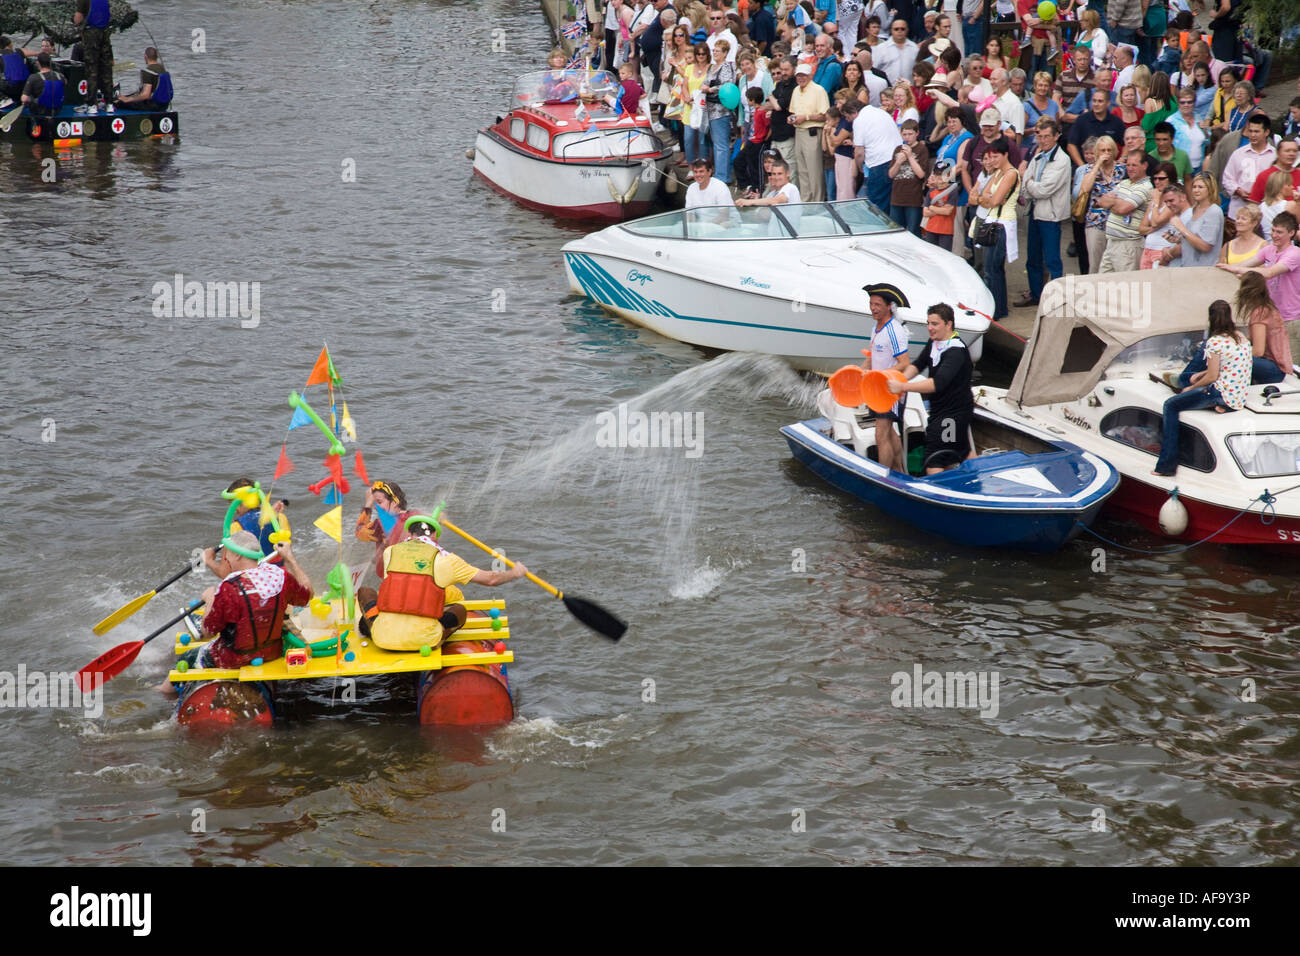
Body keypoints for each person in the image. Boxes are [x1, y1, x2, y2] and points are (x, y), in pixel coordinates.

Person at [355, 517, 527, 652]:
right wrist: (514, 573)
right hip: (424, 642)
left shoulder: (389, 552)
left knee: (366, 592)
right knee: (459, 610)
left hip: (383, 638)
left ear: (409, 535)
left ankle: (369, 623)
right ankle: (439, 640)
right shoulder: (448, 560)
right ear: (435, 536)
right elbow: (491, 579)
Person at [1151, 301, 1250, 476]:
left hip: (1219, 393)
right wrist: (1201, 374)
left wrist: (1191, 388)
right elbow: (1227, 366)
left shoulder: (1215, 341)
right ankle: (1219, 406)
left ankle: (1166, 465)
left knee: (1171, 405)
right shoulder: (1241, 338)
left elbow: (1212, 377)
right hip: (1238, 397)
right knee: (1195, 384)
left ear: (1211, 318)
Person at [193, 529, 312, 669]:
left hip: (234, 659)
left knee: (187, 657)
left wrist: (211, 598)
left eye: (227, 554)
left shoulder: (228, 589)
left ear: (237, 555)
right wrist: (289, 558)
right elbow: (308, 595)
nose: (225, 559)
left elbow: (208, 632)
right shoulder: (281, 578)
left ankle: (162, 689)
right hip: (272, 653)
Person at [886, 303, 974, 473]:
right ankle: (979, 479)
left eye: (935, 324)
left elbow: (936, 383)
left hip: (951, 415)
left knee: (936, 456)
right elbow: (919, 364)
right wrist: (901, 378)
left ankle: (938, 494)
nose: (930, 328)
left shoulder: (955, 351)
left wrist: (903, 386)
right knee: (959, 450)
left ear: (948, 324)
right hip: (941, 411)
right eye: (928, 323)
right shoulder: (935, 342)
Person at [1217, 212, 1300, 362]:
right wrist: (1226, 267)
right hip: (1271, 316)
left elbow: (1269, 273)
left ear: (1291, 233)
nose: (1274, 235)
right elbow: (1244, 265)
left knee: (1290, 364)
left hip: (1291, 318)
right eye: (1273, 230)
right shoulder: (1269, 249)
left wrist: (1238, 270)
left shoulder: (1294, 253)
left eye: (1279, 232)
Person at [857, 283, 912, 471]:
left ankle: (883, 476)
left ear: (889, 306)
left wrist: (881, 377)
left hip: (891, 390)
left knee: (881, 435)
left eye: (878, 304)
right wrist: (859, 373)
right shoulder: (876, 328)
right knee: (889, 434)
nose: (873, 308)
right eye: (871, 304)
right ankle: (899, 471)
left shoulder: (894, 330)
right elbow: (872, 357)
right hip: (877, 390)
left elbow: (904, 362)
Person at [1019, 117, 1071, 306]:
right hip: (1034, 211)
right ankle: (1035, 294)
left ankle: (1056, 298)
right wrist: (1030, 183)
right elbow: (1027, 184)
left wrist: (1029, 182)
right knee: (1032, 257)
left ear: (1056, 136)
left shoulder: (1062, 160)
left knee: (1052, 259)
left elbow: (1044, 189)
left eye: (1047, 137)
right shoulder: (1038, 155)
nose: (1043, 140)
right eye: (1040, 136)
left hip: (1050, 215)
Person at [971, 138, 1019, 318]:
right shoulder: (998, 173)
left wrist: (987, 199)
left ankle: (998, 310)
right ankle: (996, 308)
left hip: (1003, 223)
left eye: (996, 156)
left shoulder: (1011, 174)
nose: (993, 160)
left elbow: (994, 200)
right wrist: (986, 199)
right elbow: (983, 196)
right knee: (991, 268)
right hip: (993, 220)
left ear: (1005, 155)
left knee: (994, 268)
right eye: (990, 157)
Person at [1097, 148, 1151, 272]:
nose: (1130, 168)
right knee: (1103, 285)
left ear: (1145, 166)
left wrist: (1113, 203)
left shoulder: (1146, 186)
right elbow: (1101, 201)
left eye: (1134, 165)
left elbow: (1123, 208)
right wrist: (1117, 203)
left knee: (1126, 287)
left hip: (1128, 245)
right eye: (1128, 165)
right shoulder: (1124, 183)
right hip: (1111, 242)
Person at [1234, 272, 1292, 384]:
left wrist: (1230, 351)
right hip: (1274, 368)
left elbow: (1258, 351)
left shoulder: (1260, 312)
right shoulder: (1269, 307)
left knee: (1223, 354)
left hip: (1273, 370)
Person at [356, 479, 418, 578]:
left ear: (395, 502)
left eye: (379, 502)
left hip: (392, 578)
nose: (376, 507)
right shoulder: (414, 517)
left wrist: (368, 504)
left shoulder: (380, 526)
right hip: (415, 574)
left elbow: (360, 532)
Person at [1159, 176, 1223, 267]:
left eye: (1200, 187)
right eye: (1194, 187)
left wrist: (1182, 228)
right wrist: (1178, 239)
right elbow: (1193, 237)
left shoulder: (1214, 211)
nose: (1196, 190)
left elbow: (1206, 246)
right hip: (1188, 266)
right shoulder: (1195, 208)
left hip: (1204, 269)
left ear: (1210, 189)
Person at [1221, 114, 1276, 219]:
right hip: (1239, 211)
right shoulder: (1238, 154)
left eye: (1256, 131)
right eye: (1250, 131)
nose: (1253, 135)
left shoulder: (1274, 155)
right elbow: (1227, 179)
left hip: (1265, 213)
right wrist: (1238, 190)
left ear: (1266, 132)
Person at [853, 97, 902, 209]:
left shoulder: (859, 120)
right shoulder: (880, 112)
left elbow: (859, 152)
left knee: (877, 206)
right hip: (894, 158)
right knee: (889, 202)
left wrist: (860, 168)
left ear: (854, 113)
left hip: (879, 163)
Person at [701, 38, 737, 183]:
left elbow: (727, 85)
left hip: (720, 110)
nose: (715, 53)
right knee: (716, 143)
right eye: (714, 50)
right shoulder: (711, 67)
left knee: (721, 144)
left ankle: (723, 176)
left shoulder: (726, 67)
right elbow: (705, 81)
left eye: (718, 51)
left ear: (725, 53)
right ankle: (721, 173)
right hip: (709, 109)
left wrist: (710, 89)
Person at [888, 118, 929, 234]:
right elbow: (891, 174)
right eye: (904, 134)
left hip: (913, 199)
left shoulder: (922, 149)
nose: (907, 137)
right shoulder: (898, 149)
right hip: (896, 198)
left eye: (910, 134)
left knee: (913, 232)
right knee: (895, 232)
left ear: (917, 133)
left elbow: (921, 174)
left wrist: (910, 157)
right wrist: (898, 162)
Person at [1068, 88, 1127, 166]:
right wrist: (1082, 167)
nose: (1096, 104)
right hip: (1086, 166)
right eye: (1094, 101)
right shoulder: (1082, 120)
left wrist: (1121, 160)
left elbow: (1126, 144)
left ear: (1108, 103)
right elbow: (1071, 145)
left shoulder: (1116, 121)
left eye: (1100, 101)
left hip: (1108, 168)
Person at [73, 0, 114, 113]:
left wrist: (75, 24)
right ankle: (109, 103)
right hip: (105, 33)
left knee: (92, 70)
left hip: (91, 35)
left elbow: (78, 17)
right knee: (106, 69)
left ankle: (91, 105)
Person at [1138, 162, 1179, 269]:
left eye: (1161, 179)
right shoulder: (1154, 201)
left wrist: (1156, 201)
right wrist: (1154, 228)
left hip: (1162, 249)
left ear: (1170, 179)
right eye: (1155, 179)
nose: (1157, 182)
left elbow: (1156, 221)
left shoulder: (1172, 201)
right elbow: (1141, 228)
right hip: (1147, 249)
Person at [766, 55, 799, 176]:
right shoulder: (780, 85)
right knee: (775, 171)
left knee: (789, 171)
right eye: (782, 70)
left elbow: (779, 105)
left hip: (787, 136)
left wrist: (771, 97)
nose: (783, 73)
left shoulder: (795, 87)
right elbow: (769, 104)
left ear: (794, 69)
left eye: (786, 70)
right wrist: (773, 102)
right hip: (775, 135)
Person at [680, 44, 712, 166]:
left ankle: (704, 166)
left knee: (702, 139)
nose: (700, 56)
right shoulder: (689, 68)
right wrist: (687, 98)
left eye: (703, 54)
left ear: (707, 55)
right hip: (690, 107)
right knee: (688, 139)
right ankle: (691, 166)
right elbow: (684, 85)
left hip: (704, 108)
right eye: (698, 54)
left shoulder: (711, 68)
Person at [737, 86, 772, 194]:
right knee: (738, 161)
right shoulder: (757, 111)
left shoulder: (762, 112)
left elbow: (769, 126)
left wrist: (764, 139)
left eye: (748, 99)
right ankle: (746, 185)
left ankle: (758, 190)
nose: (747, 101)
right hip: (752, 141)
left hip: (758, 143)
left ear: (752, 100)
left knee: (756, 168)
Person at [114, 46, 172, 111]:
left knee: (119, 103)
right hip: (164, 105)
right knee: (127, 97)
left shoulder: (148, 71)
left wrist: (128, 99)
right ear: (156, 57)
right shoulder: (163, 69)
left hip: (153, 106)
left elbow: (146, 95)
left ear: (145, 57)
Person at [1247, 139, 1300, 206]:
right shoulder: (1265, 176)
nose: (1291, 154)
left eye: (1295, 151)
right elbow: (1254, 203)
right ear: (1278, 153)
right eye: (1287, 151)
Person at [1168, 88, 1207, 174]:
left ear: (1194, 103)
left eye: (1190, 102)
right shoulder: (1171, 121)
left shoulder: (1199, 118)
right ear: (1178, 103)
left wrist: (1205, 131)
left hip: (1198, 167)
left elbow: (1207, 141)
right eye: (1182, 102)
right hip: (1179, 168)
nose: (1186, 105)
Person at [922, 159, 958, 249]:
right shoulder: (931, 191)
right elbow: (925, 213)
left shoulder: (952, 191)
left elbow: (948, 211)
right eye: (938, 177)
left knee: (944, 255)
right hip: (931, 228)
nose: (941, 181)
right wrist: (941, 210)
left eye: (943, 176)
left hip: (946, 230)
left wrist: (932, 207)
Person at [1055, 48, 1095, 127]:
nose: (1082, 62)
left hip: (1088, 122)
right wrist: (1061, 112)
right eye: (1079, 59)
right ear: (1074, 60)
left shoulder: (1096, 78)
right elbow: (1055, 97)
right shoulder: (1064, 75)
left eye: (1085, 59)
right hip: (1066, 120)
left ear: (1090, 60)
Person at [831, 96, 859, 199]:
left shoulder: (848, 121)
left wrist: (830, 131)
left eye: (840, 103)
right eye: (837, 102)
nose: (837, 105)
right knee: (840, 187)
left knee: (846, 188)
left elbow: (836, 141)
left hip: (847, 156)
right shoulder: (843, 119)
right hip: (839, 156)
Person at [874, 18, 918, 85]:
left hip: (909, 89)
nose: (899, 31)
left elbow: (918, 70)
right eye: (896, 29)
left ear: (907, 30)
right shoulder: (881, 48)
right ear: (891, 30)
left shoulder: (914, 48)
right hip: (888, 91)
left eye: (902, 29)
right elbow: (875, 69)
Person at [19, 52, 63, 117]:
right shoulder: (60, 76)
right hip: (57, 110)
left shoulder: (33, 77)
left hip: (40, 111)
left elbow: (24, 99)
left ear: (38, 63)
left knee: (27, 98)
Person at [1259, 171, 1297, 237]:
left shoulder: (1260, 207)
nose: (1292, 187)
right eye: (1289, 185)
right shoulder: (1291, 205)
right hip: (1286, 244)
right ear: (1280, 187)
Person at [0, 36, 32, 106]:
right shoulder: (18, 51)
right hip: (26, 86)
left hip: (11, 87)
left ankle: (4, 98)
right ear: (10, 44)